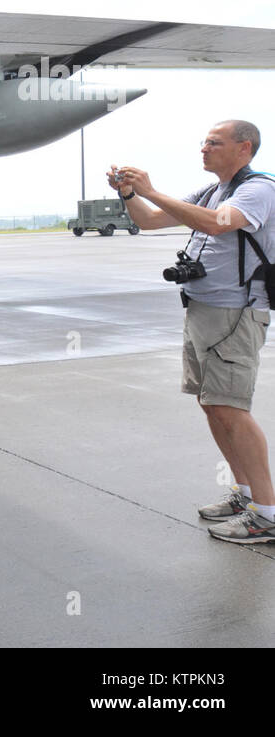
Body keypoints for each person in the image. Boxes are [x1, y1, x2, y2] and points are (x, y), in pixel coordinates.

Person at [111, 119, 275, 544]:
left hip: (235, 315)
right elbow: (148, 220)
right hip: (202, 310)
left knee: (232, 408)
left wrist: (150, 188)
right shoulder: (209, 190)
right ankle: (244, 495)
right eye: (203, 142)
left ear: (244, 148)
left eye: (214, 143)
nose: (204, 148)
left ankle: (269, 514)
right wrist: (130, 194)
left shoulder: (258, 188)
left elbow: (220, 224)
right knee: (213, 404)